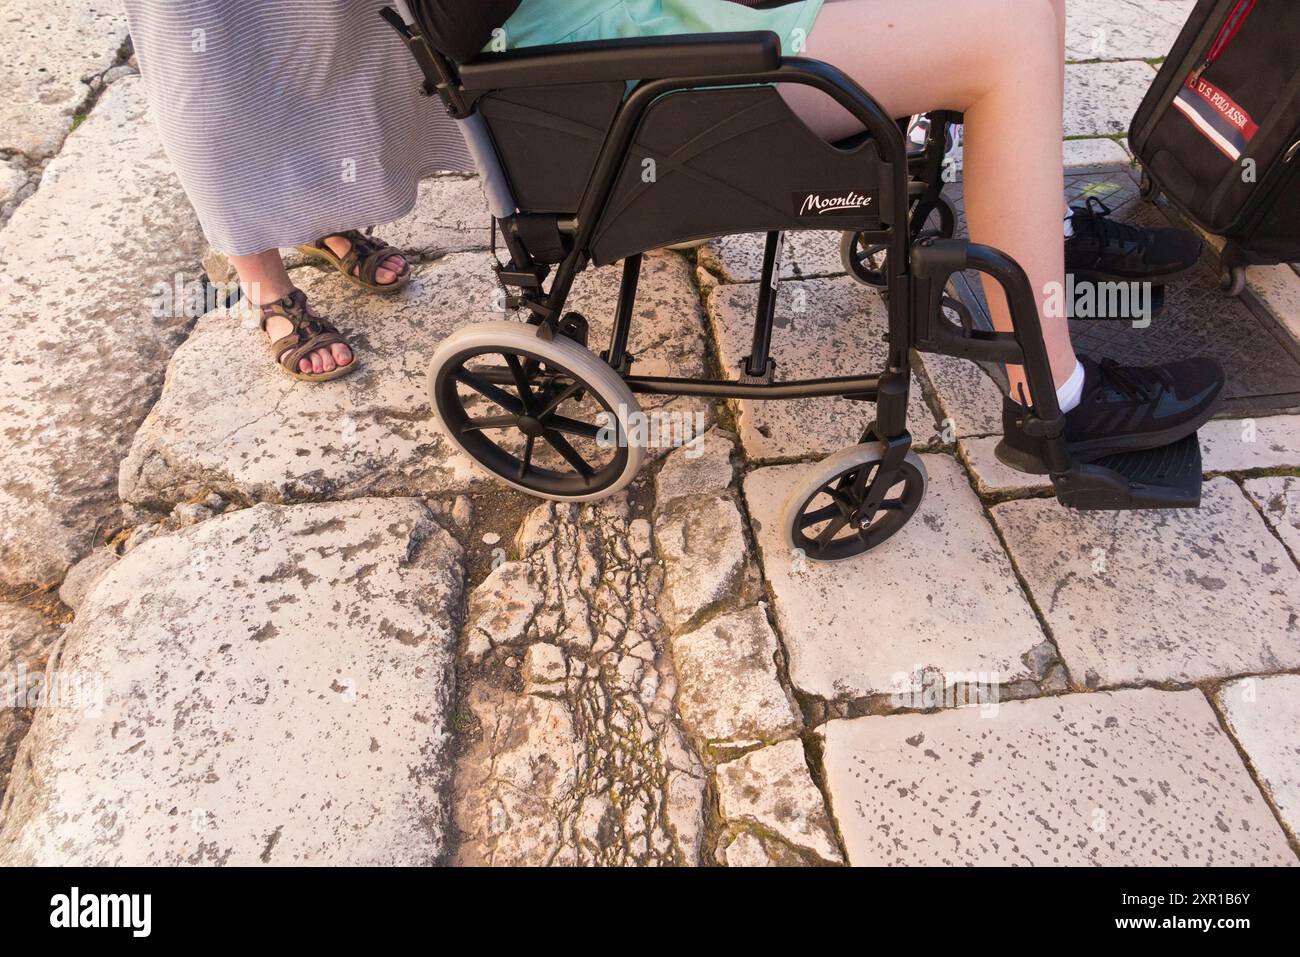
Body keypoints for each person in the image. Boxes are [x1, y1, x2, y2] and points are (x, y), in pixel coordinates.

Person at [463, 0, 1226, 471]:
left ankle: (1040, 236)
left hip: (634, 15)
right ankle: (1055, 400)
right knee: (1011, 33)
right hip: (608, 54)